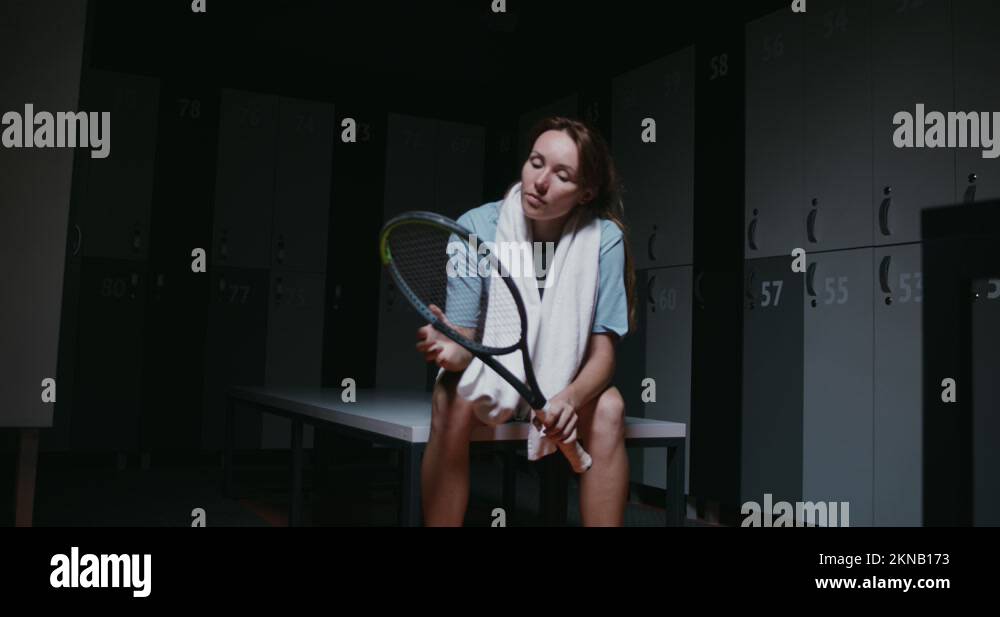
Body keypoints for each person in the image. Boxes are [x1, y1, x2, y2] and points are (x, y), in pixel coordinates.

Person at [415, 116, 637, 526]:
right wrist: (448, 347)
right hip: (493, 376)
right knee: (448, 396)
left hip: (563, 382)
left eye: (562, 175)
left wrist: (568, 399)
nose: (540, 181)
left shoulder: (603, 239)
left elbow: (603, 355)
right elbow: (463, 342)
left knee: (611, 408)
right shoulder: (477, 227)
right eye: (536, 162)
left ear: (585, 192)